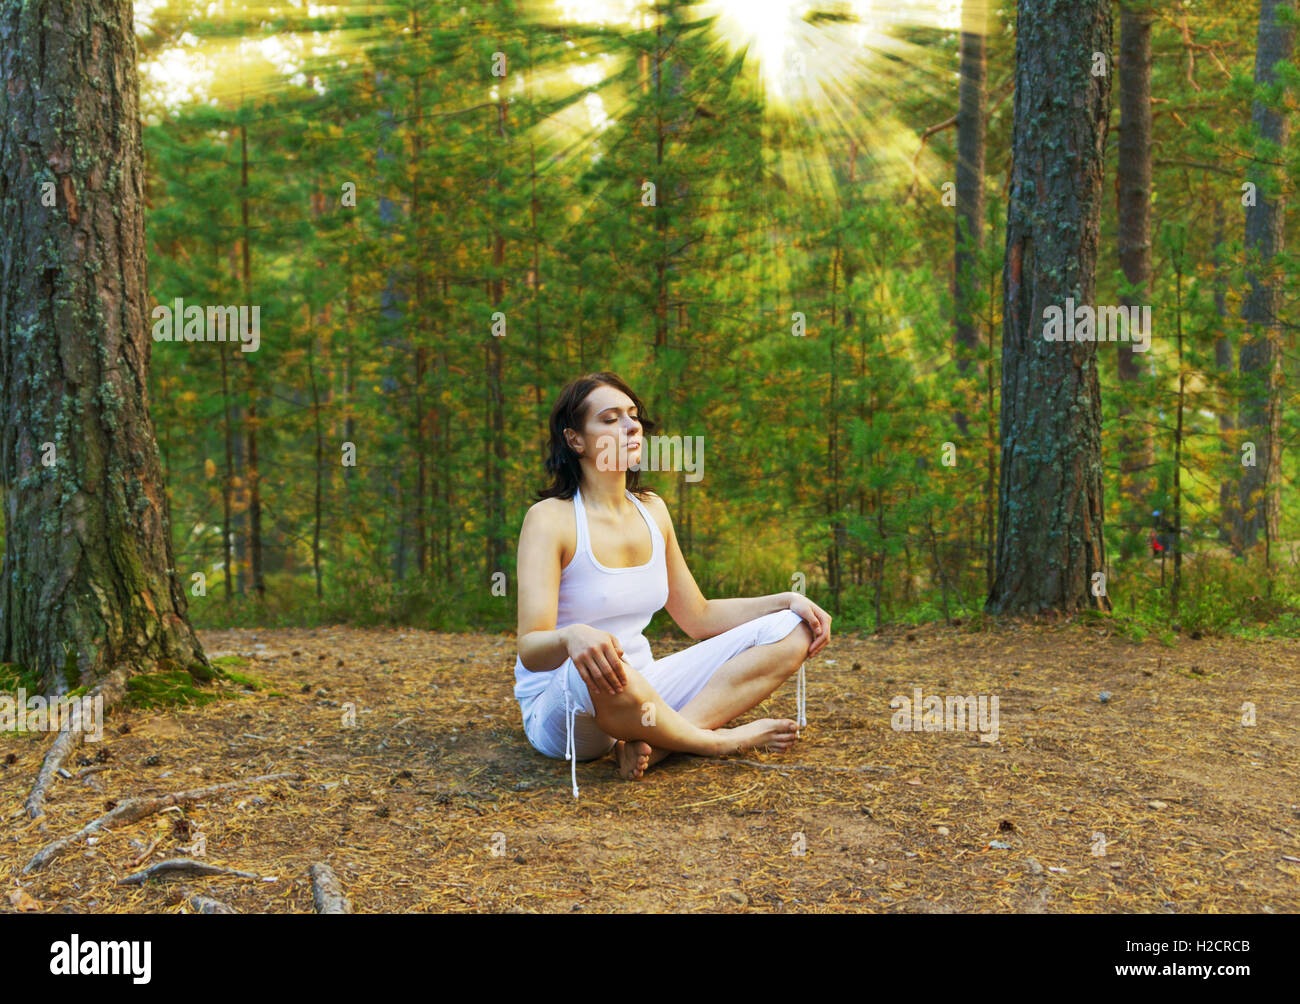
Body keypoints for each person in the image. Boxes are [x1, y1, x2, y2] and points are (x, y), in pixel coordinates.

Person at [514, 372, 832, 798]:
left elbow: (698, 618)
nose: (630, 427)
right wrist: (573, 636)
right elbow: (531, 650)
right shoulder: (549, 519)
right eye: (609, 419)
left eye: (632, 416)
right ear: (575, 440)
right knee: (599, 663)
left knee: (792, 629)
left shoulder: (652, 510)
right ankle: (717, 741)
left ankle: (657, 745)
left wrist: (786, 600)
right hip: (568, 708)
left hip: (642, 694)